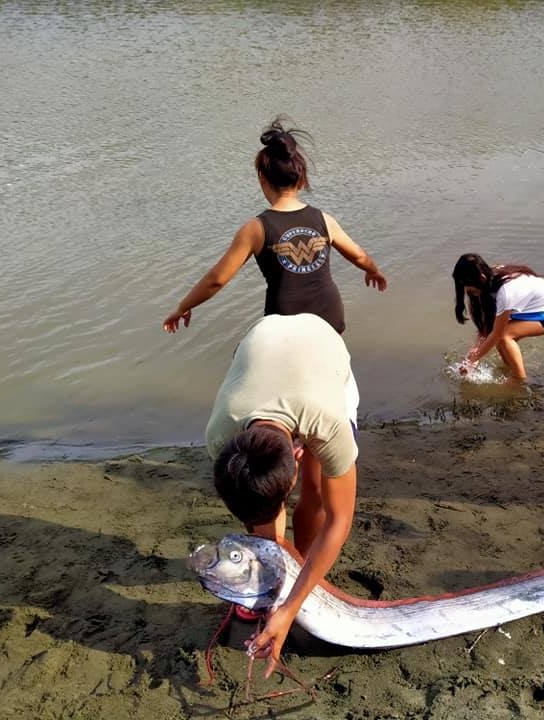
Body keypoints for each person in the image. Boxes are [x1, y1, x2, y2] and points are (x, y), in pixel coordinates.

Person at [205, 313, 360, 676]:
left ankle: (302, 579)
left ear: (296, 457)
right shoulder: (220, 435)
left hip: (323, 349)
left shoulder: (328, 424)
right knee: (259, 502)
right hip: (263, 339)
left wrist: (292, 609)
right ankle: (281, 583)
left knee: (318, 494)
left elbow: (340, 520)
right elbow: (254, 499)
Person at [163, 117, 386, 336]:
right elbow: (359, 256)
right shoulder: (324, 219)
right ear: (301, 179)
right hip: (330, 315)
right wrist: (372, 270)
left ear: (262, 178)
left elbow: (217, 280)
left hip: (283, 321)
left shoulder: (255, 229)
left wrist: (183, 307)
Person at [452, 254, 544, 381]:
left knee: (503, 335)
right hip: (532, 307)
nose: (468, 292)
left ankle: (519, 380)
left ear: (481, 278)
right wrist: (473, 355)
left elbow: (496, 334)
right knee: (500, 338)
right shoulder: (488, 278)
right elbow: (486, 328)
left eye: (470, 289)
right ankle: (511, 369)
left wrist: (472, 360)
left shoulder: (506, 292)